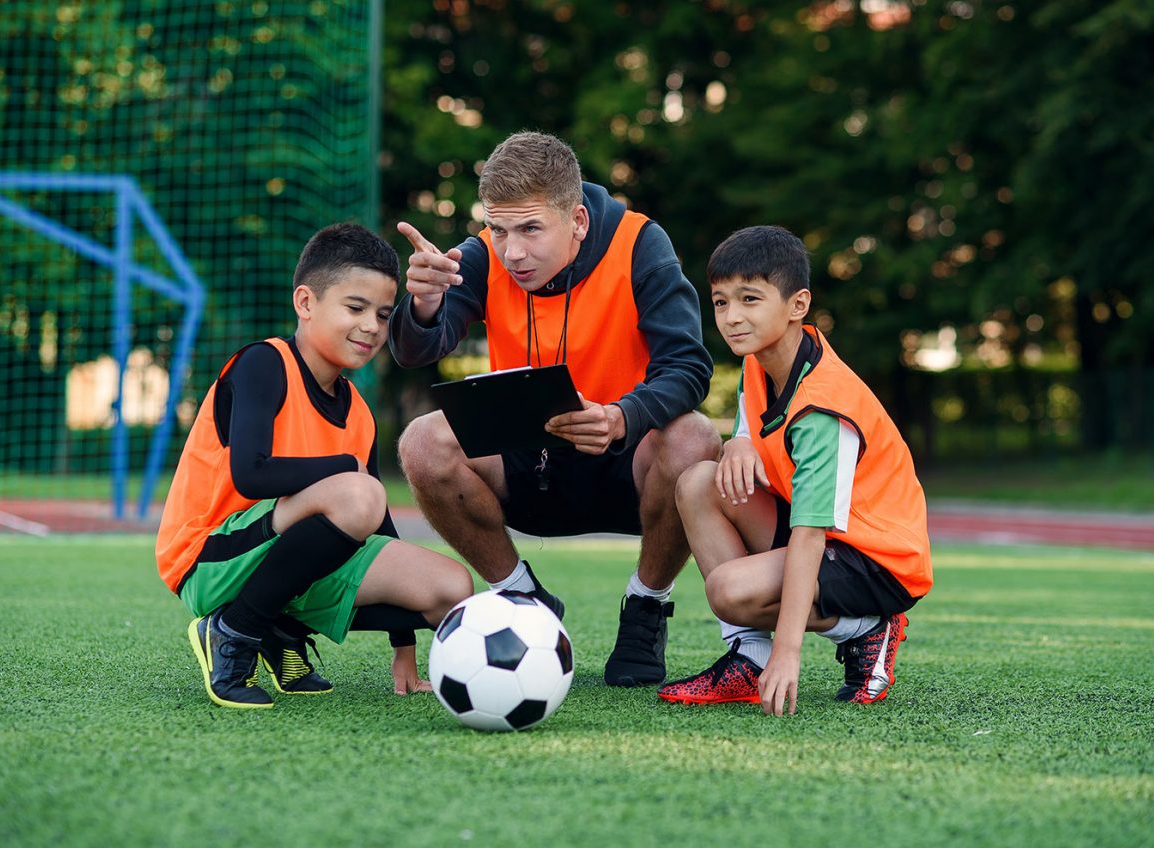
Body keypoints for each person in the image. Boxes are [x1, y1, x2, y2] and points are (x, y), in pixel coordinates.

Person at [389, 131, 718, 687]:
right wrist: (422, 304)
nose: (512, 251)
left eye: (531, 229)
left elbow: (688, 367)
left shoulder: (641, 244)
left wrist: (621, 417)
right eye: (499, 229)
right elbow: (419, 349)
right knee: (422, 441)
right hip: (526, 468)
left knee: (696, 437)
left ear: (579, 221)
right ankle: (520, 597)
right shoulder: (480, 255)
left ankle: (646, 607)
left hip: (626, 464)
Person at [155, 223, 473, 709]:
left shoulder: (359, 412)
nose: (372, 325)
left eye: (384, 314)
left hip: (291, 559)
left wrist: (404, 648)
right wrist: (345, 469)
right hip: (212, 559)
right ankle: (234, 631)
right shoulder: (263, 363)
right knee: (358, 492)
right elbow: (251, 475)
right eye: (355, 307)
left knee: (451, 587)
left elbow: (379, 529)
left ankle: (279, 628)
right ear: (305, 303)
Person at [657, 225, 932, 715]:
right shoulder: (762, 357)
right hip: (832, 541)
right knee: (698, 481)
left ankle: (868, 626)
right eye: (721, 302)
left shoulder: (823, 408)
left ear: (797, 305)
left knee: (729, 590)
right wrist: (738, 440)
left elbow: (810, 534)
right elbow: (750, 419)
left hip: (878, 559)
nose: (732, 318)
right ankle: (749, 656)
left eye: (749, 299)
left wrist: (789, 653)